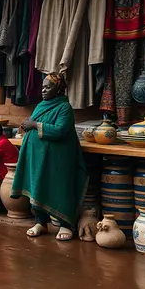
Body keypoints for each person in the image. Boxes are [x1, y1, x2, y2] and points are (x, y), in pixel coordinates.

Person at [12, 73, 87, 242]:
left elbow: (60, 130)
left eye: (48, 87)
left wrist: (34, 124)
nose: (43, 90)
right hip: (37, 158)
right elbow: (33, 123)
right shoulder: (41, 105)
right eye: (43, 87)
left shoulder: (64, 108)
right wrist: (27, 124)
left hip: (57, 158)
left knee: (59, 188)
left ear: (58, 89)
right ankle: (41, 222)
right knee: (37, 186)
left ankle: (66, 224)